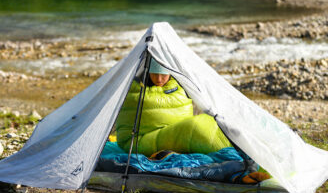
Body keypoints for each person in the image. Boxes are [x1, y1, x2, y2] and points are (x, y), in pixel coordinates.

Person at [115, 59, 270, 183]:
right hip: (140, 140)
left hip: (172, 131)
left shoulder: (178, 84)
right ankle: (246, 163)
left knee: (213, 123)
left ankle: (252, 155)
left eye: (164, 74)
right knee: (196, 127)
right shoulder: (134, 90)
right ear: (147, 71)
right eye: (155, 74)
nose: (159, 79)